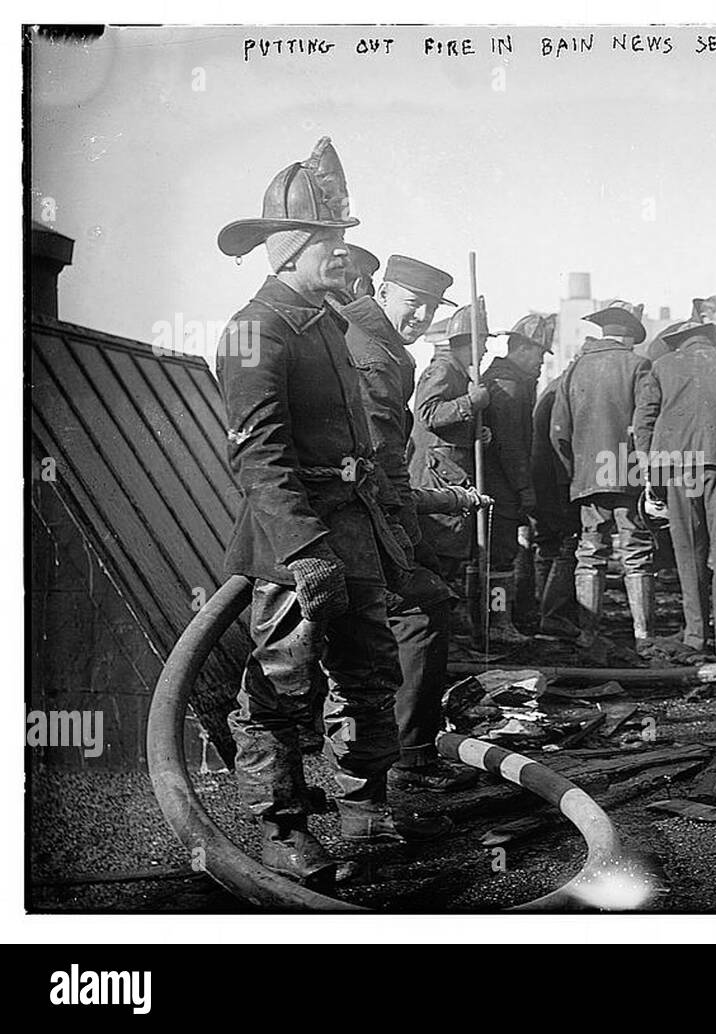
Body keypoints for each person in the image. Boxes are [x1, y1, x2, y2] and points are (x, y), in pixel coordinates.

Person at [214, 137, 446, 887]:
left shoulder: (328, 325)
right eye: (332, 246)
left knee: (369, 676)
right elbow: (258, 456)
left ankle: (363, 812)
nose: (345, 260)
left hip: (355, 529)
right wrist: (307, 552)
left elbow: (368, 449)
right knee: (284, 688)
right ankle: (285, 831)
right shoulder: (259, 330)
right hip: (294, 541)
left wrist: (390, 541)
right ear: (290, 249)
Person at [340, 254, 482, 792]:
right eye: (411, 302)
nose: (420, 315)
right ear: (382, 292)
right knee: (423, 610)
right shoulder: (376, 353)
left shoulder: (375, 341)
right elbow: (383, 458)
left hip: (361, 505)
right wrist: (414, 525)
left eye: (428, 307)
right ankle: (409, 761)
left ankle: (393, 757)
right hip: (356, 513)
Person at [633, 317, 716, 661]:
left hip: (675, 468)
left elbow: (643, 419)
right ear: (707, 337)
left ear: (678, 341)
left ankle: (694, 637)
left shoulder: (661, 366)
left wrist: (648, 468)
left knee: (687, 553)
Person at [550, 300, 658, 656]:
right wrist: (647, 474)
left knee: (589, 554)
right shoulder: (639, 365)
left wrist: (575, 472)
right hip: (627, 475)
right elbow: (646, 429)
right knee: (636, 554)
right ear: (630, 337)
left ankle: (587, 635)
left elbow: (558, 432)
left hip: (587, 477)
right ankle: (643, 636)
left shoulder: (575, 369)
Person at [409, 301, 498, 642]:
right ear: (464, 342)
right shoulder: (444, 369)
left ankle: (447, 633)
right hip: (437, 479)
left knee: (451, 559)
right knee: (440, 558)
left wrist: (478, 432)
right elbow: (428, 415)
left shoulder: (461, 373)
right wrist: (470, 404)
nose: (487, 347)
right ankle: (436, 635)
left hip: (450, 475)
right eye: (482, 341)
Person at [479, 314, 555, 645]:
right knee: (499, 558)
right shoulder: (508, 385)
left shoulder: (507, 381)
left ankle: (492, 621)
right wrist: (524, 488)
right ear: (522, 349)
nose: (540, 362)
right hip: (501, 487)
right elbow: (512, 445)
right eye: (538, 354)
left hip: (497, 484)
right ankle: (496, 623)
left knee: (495, 555)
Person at [531, 373, 583, 639]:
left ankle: (544, 608)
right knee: (569, 543)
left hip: (541, 477)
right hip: (554, 479)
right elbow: (559, 442)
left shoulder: (553, 388)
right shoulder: (563, 390)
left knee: (547, 544)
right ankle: (554, 614)